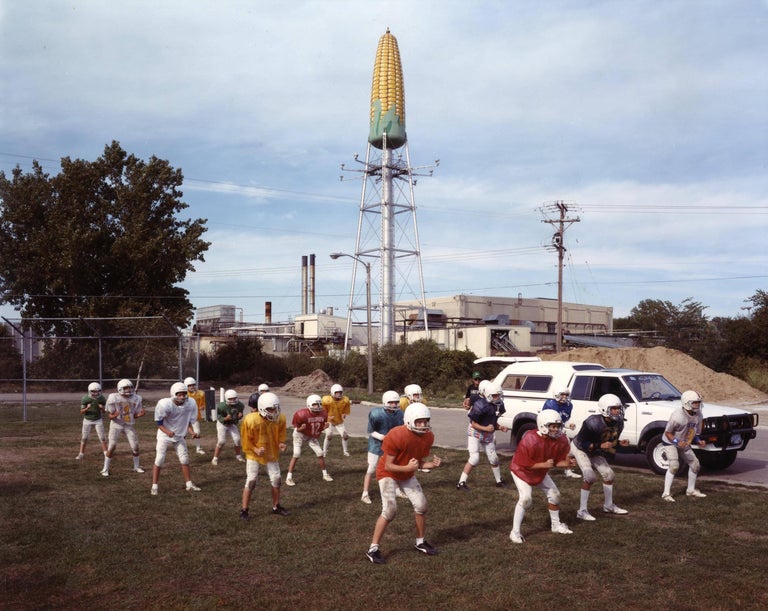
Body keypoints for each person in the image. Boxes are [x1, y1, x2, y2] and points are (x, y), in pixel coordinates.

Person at [365, 403, 442, 565]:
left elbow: (418, 463)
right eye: (419, 421)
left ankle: (420, 542)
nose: (423, 425)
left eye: (425, 421)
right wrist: (408, 467)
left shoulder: (428, 436)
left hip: (406, 472)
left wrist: (432, 465)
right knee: (390, 510)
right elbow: (388, 465)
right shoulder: (396, 435)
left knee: (422, 505)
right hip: (388, 473)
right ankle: (373, 548)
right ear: (409, 421)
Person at [509, 409, 575, 543]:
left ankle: (556, 525)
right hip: (521, 471)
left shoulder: (561, 440)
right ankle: (514, 532)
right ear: (543, 426)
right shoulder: (530, 439)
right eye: (553, 426)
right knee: (526, 499)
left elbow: (555, 462)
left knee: (555, 495)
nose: (556, 430)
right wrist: (543, 465)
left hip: (539, 470)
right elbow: (524, 464)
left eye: (558, 426)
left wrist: (567, 463)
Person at [571, 394, 630, 521]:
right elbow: (582, 442)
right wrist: (599, 445)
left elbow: (609, 441)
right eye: (614, 408)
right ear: (604, 409)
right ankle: (582, 511)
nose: (617, 411)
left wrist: (619, 443)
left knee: (609, 475)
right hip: (580, 448)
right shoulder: (592, 422)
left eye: (618, 408)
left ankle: (608, 505)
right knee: (590, 476)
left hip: (596, 448)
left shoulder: (618, 422)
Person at [239, 391, 289, 520]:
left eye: (275, 408)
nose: (273, 411)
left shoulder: (280, 418)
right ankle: (244, 510)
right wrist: (255, 449)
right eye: (270, 409)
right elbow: (245, 440)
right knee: (251, 481)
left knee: (277, 480)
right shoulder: (251, 420)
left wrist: (281, 443)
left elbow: (281, 434)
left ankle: (276, 506)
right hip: (254, 454)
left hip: (270, 452)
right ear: (261, 408)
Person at [151, 382, 201, 496]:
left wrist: (192, 432)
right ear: (174, 394)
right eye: (179, 394)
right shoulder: (165, 404)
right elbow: (159, 423)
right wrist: (168, 432)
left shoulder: (190, 403)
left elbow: (186, 421)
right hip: (164, 435)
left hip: (178, 436)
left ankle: (189, 484)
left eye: (184, 394)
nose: (182, 397)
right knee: (159, 459)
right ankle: (154, 486)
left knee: (185, 460)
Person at [457, 382, 509, 491]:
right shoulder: (480, 405)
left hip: (487, 433)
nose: (498, 397)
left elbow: (492, 422)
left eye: (499, 395)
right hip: (475, 432)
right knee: (474, 458)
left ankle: (499, 481)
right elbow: (473, 423)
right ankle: (461, 483)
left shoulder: (499, 405)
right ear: (488, 395)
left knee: (494, 458)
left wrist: (500, 427)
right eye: (495, 395)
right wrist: (486, 429)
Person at [661, 390, 707, 502]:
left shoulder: (698, 415)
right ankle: (666, 494)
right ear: (686, 403)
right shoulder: (677, 416)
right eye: (695, 402)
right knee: (674, 466)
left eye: (698, 402)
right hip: (670, 441)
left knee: (695, 465)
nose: (697, 405)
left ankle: (690, 490)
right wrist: (677, 441)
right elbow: (668, 433)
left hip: (684, 441)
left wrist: (698, 440)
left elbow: (693, 432)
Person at [361, 390, 404, 504]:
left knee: (393, 467)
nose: (394, 405)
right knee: (372, 468)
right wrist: (383, 437)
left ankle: (396, 489)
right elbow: (370, 431)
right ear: (385, 402)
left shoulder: (400, 414)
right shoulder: (376, 413)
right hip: (376, 445)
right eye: (391, 402)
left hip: (391, 445)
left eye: (396, 402)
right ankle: (365, 493)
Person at [101, 379, 146, 477]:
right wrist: (114, 415)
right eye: (126, 388)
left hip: (128, 425)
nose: (128, 390)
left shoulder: (136, 398)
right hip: (116, 424)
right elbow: (110, 416)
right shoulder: (114, 397)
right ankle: (105, 468)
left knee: (135, 447)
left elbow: (134, 416)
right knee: (112, 446)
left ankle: (136, 466)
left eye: (129, 387)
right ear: (120, 388)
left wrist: (140, 415)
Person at [286, 394, 332, 486]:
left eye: (319, 404)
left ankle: (325, 474)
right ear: (309, 404)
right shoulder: (301, 414)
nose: (318, 406)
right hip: (300, 434)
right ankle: (289, 478)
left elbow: (317, 429)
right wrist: (301, 428)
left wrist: (324, 427)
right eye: (315, 404)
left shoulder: (323, 413)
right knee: (297, 453)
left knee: (320, 453)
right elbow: (297, 429)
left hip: (311, 434)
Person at [542, 388, 580, 478]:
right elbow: (546, 419)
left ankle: (568, 470)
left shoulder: (568, 405)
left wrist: (568, 425)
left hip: (559, 429)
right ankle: (541, 469)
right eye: (562, 394)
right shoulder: (550, 404)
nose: (565, 397)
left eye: (566, 395)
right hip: (547, 428)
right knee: (544, 450)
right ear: (556, 394)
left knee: (567, 446)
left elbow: (563, 420)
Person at [211, 389, 245, 465]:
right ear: (226, 398)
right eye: (230, 399)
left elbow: (238, 416)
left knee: (237, 439)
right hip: (222, 424)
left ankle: (238, 455)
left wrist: (240, 416)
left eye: (234, 398)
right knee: (221, 441)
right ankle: (215, 458)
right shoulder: (221, 406)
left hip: (232, 424)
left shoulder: (240, 405)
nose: (233, 400)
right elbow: (218, 417)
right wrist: (225, 418)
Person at [76, 382, 108, 460]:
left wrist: (102, 408)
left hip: (98, 419)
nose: (96, 393)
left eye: (97, 391)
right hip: (87, 420)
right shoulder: (85, 398)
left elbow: (104, 411)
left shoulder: (102, 398)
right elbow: (81, 412)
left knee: (102, 437)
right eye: (93, 391)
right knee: (84, 438)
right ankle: (81, 454)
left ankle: (106, 453)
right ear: (89, 391)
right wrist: (87, 408)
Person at [322, 383, 351, 457]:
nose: (339, 394)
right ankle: (324, 451)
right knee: (329, 435)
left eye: (340, 392)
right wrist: (327, 417)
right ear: (332, 393)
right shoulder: (327, 400)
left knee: (345, 436)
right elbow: (322, 412)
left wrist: (344, 414)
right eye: (337, 393)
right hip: (329, 420)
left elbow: (345, 410)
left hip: (338, 421)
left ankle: (345, 451)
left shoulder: (345, 400)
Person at [185, 377, 206, 455]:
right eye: (190, 385)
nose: (192, 387)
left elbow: (202, 405)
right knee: (183, 433)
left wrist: (202, 407)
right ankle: (182, 448)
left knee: (197, 432)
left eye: (193, 385)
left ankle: (198, 448)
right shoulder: (184, 394)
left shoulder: (200, 393)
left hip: (195, 416)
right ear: (186, 386)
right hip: (185, 416)